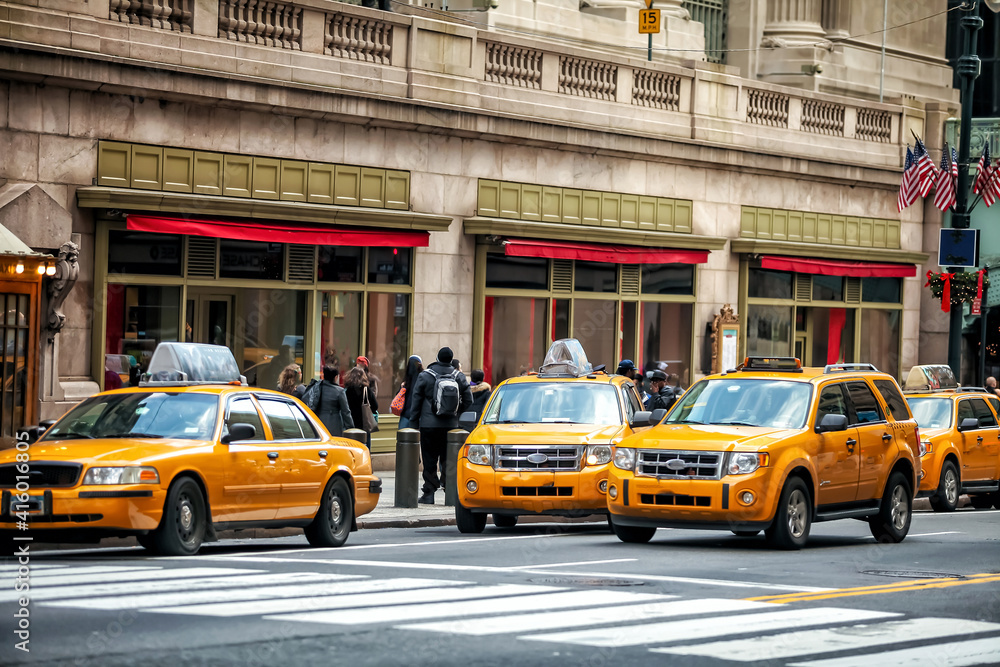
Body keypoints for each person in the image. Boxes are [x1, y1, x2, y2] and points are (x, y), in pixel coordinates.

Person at [405, 347, 473, 504]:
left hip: (429, 425)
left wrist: (414, 423)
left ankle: (429, 493)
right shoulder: (459, 376)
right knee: (448, 460)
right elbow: (469, 400)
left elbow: (416, 401)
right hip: (451, 426)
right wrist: (456, 414)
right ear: (451, 359)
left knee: (429, 459)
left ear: (436, 358)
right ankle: (449, 492)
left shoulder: (425, 376)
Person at [314, 364, 354, 437]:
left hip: (317, 424)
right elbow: (346, 412)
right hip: (334, 424)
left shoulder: (317, 387)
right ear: (336, 377)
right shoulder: (339, 391)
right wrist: (350, 428)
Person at [345, 365, 379, 448]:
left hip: (351, 424)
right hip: (365, 424)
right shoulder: (367, 390)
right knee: (365, 446)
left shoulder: (347, 391)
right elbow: (375, 406)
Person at [397, 355, 423, 430]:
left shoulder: (406, 381)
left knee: (402, 438)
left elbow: (398, 396)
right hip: (418, 416)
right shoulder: (422, 379)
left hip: (405, 415)